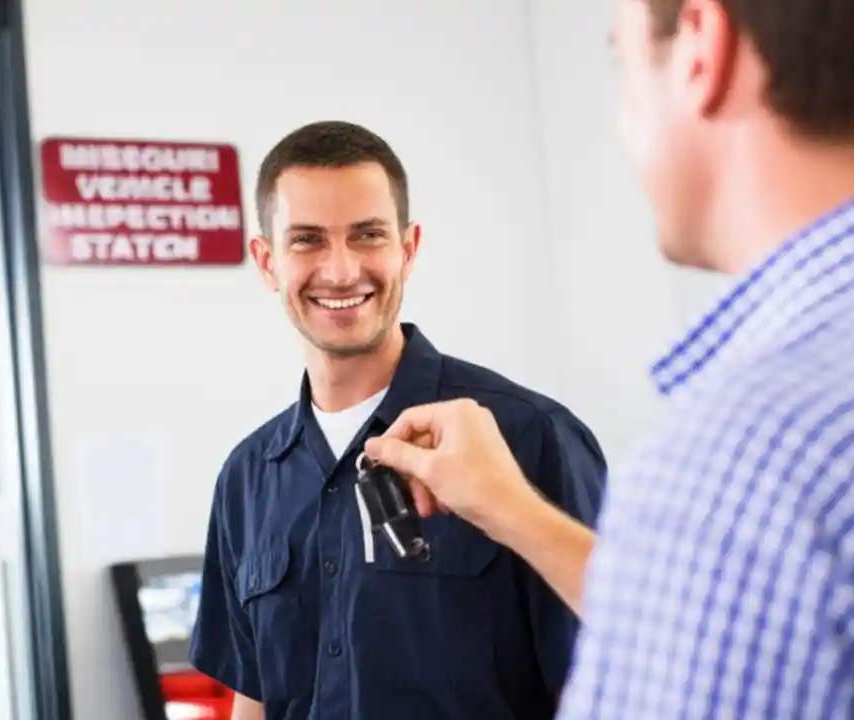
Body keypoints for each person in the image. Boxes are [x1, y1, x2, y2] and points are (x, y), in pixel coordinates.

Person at [363, 1, 854, 718]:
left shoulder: (744, 461)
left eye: (624, 64)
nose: (622, 120)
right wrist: (520, 513)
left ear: (699, 51)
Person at [188, 120, 608, 720]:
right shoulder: (245, 478)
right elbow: (252, 699)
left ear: (407, 250)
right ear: (266, 262)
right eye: (307, 240)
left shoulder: (528, 436)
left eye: (367, 235)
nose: (339, 271)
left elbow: (611, 680)